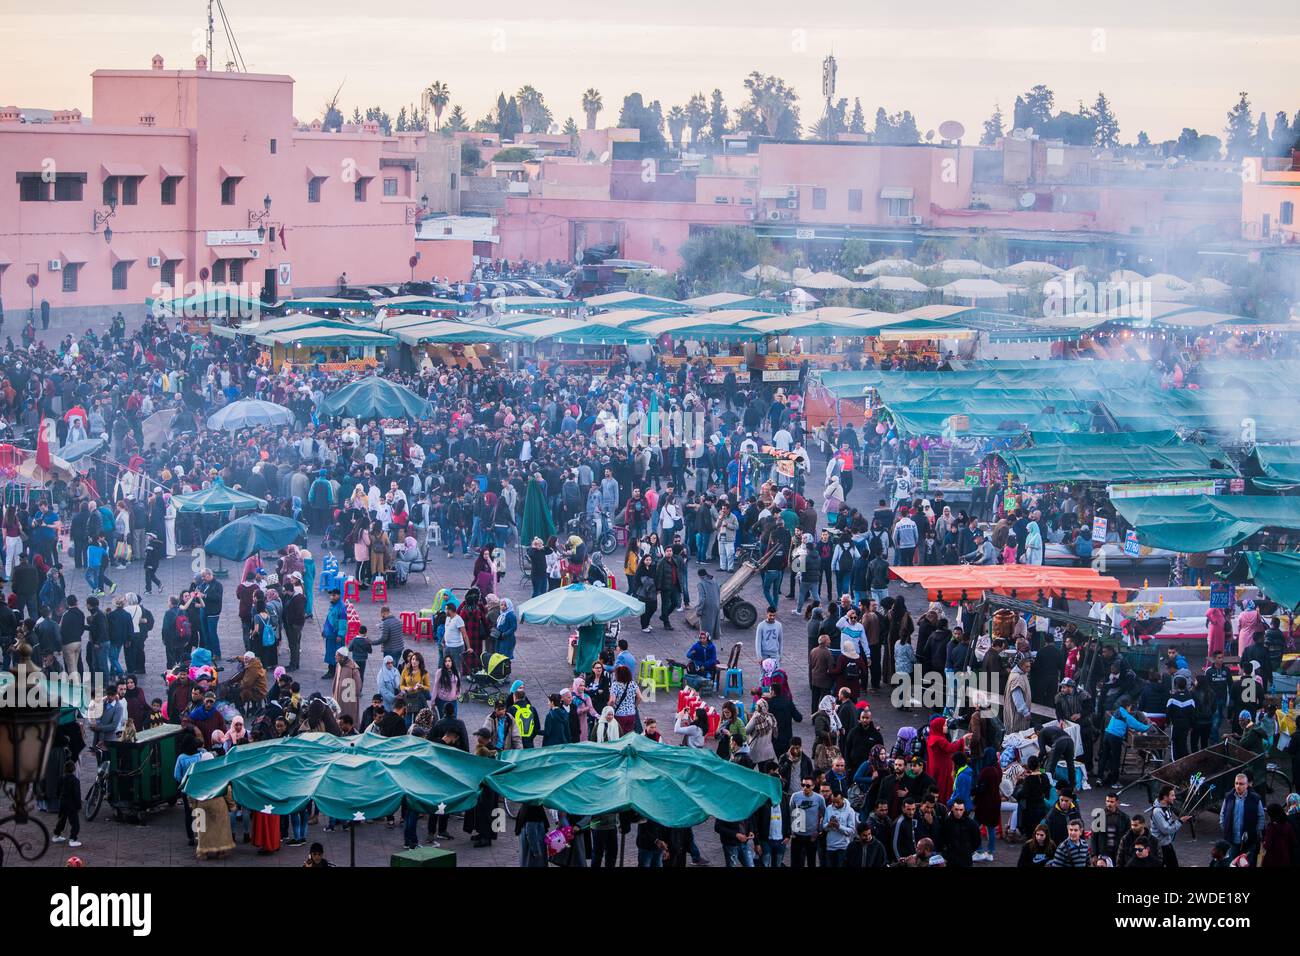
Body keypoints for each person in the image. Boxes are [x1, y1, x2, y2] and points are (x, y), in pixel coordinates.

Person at [1219, 772, 1265, 866]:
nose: (1238, 786)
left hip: (1248, 841)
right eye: (1236, 783)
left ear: (1247, 785)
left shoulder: (1255, 799)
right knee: (1231, 864)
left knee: (1246, 864)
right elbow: (1222, 814)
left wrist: (1256, 831)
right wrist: (1225, 828)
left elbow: (1261, 816)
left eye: (1241, 784)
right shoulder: (1229, 797)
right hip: (1232, 840)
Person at [1151, 783, 1192, 867]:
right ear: (1165, 797)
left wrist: (1176, 822)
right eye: (1172, 795)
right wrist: (1180, 822)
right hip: (1160, 846)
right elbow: (1166, 830)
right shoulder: (1157, 812)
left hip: (1167, 843)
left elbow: (1170, 823)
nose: (1175, 797)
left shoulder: (1167, 807)